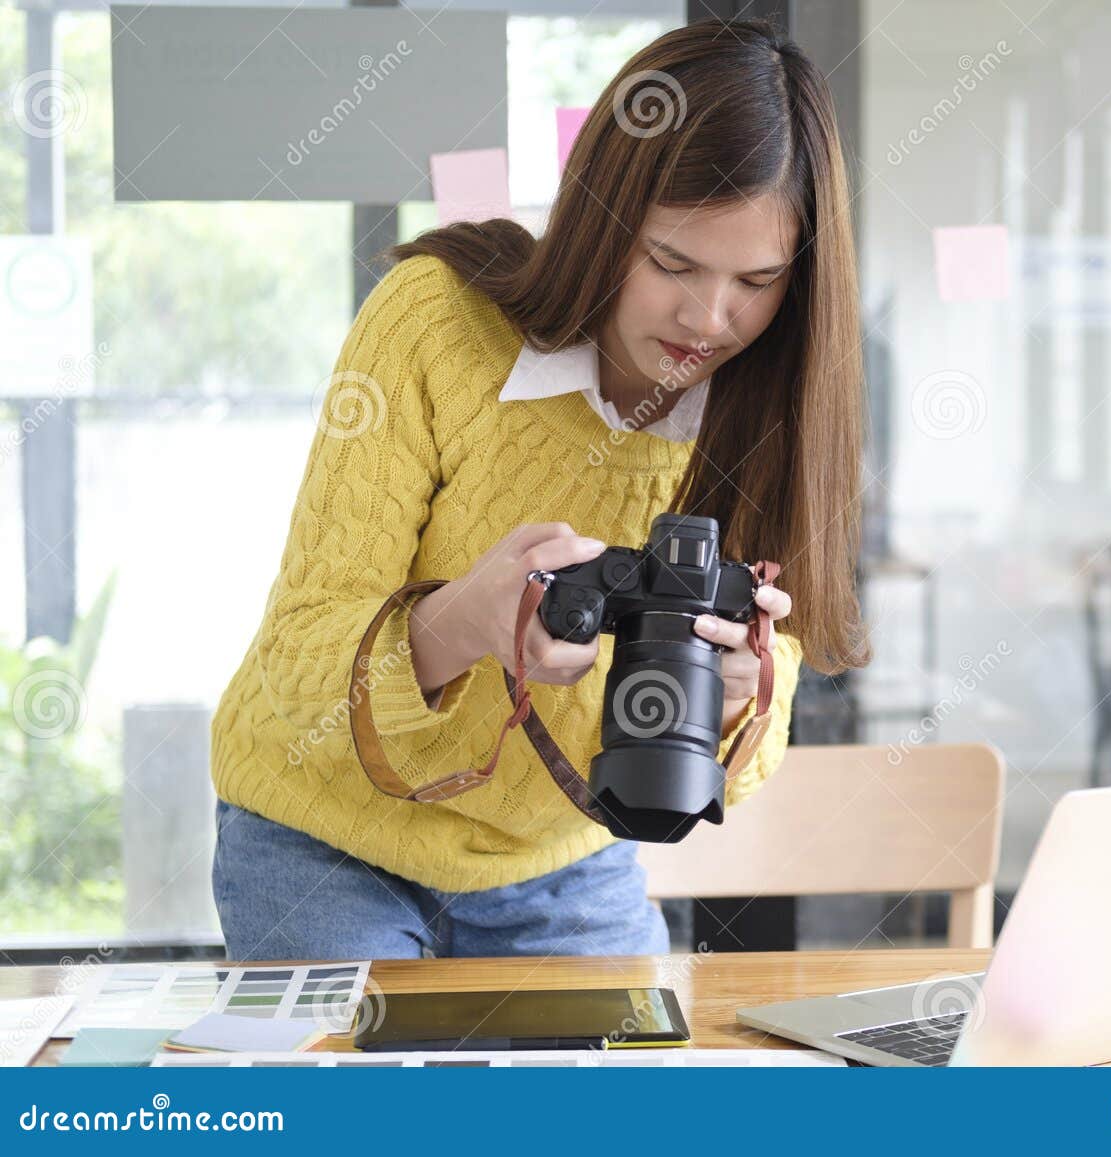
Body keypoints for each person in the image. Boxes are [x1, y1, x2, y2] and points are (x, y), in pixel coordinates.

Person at [209, 18, 869, 961]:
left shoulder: (774, 403)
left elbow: (760, 730)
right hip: (320, 831)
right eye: (671, 263)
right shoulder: (435, 322)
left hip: (560, 857)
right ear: (603, 220)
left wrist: (740, 697)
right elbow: (302, 653)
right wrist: (463, 625)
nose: (708, 319)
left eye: (757, 280)